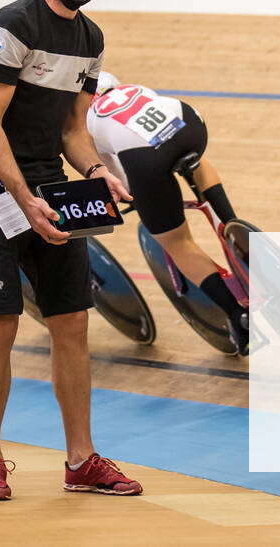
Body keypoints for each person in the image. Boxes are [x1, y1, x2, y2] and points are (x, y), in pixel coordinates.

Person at [0, 0, 142, 501]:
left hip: (48, 184)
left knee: (72, 321)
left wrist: (97, 172)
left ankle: (81, 461)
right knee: (1, 323)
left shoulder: (90, 39)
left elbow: (73, 130)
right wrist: (23, 199)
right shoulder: (13, 25)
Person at [86, 72, 249, 355]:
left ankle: (238, 315)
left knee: (177, 242)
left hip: (146, 159)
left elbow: (117, 179)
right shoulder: (133, 88)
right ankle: (232, 229)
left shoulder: (87, 124)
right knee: (196, 161)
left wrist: (139, 198)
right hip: (191, 126)